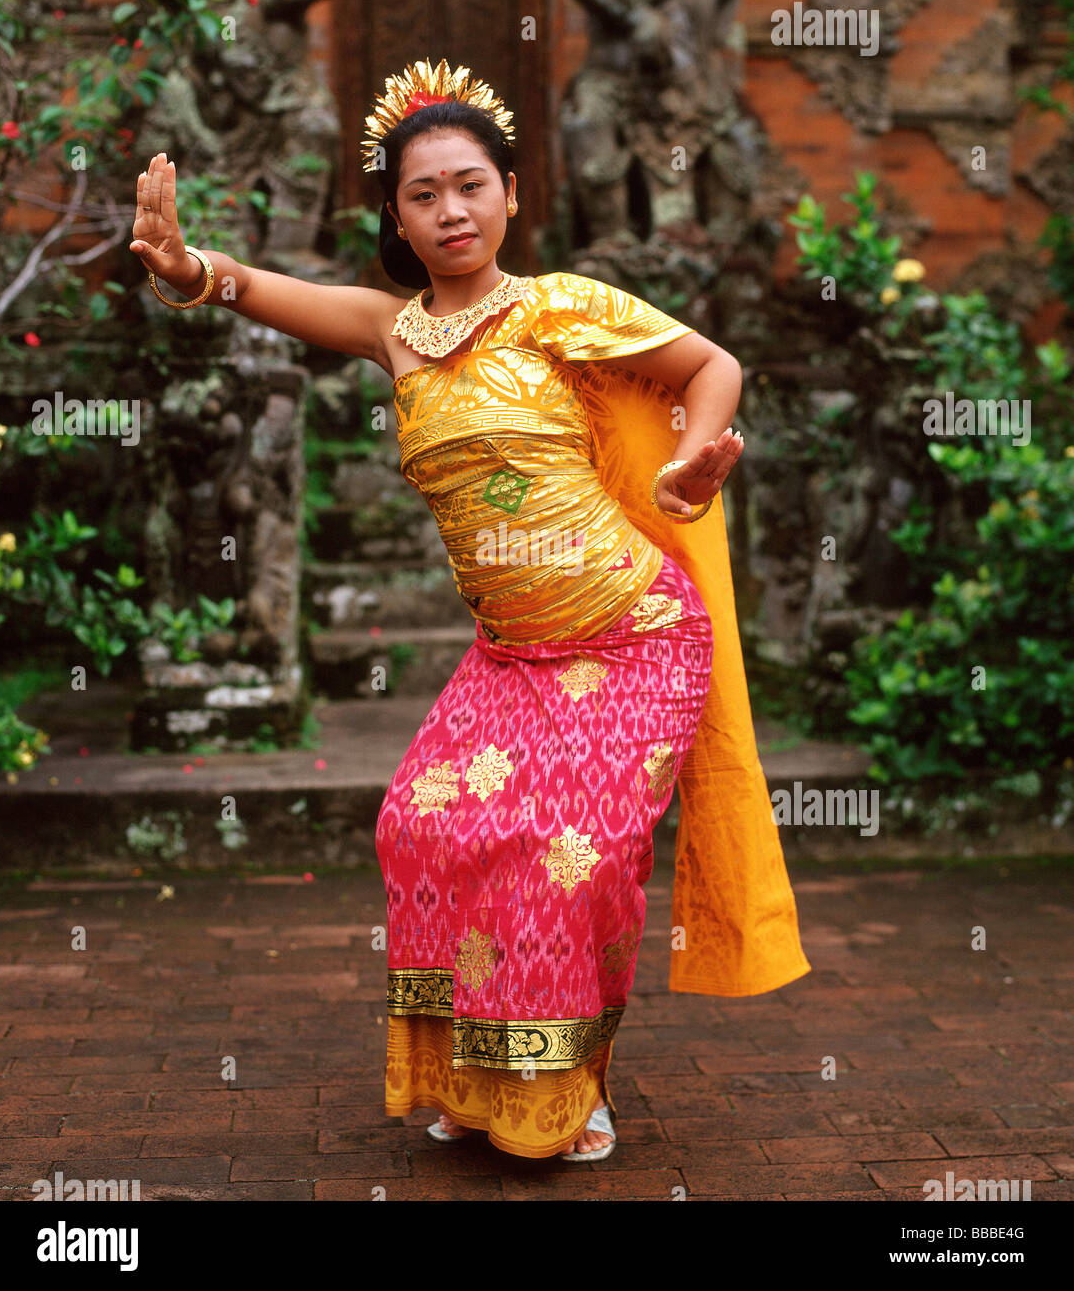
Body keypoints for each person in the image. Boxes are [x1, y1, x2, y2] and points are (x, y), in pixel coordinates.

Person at [131, 56, 810, 1163]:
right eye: (422, 193)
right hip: (512, 655)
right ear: (396, 216)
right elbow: (251, 289)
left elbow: (710, 364)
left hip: (637, 636)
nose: (450, 210)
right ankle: (473, 1071)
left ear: (508, 192)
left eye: (469, 184)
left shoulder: (560, 308)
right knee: (424, 823)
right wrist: (185, 264)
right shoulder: (397, 333)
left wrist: (687, 469)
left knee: (569, 852)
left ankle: (567, 1091)